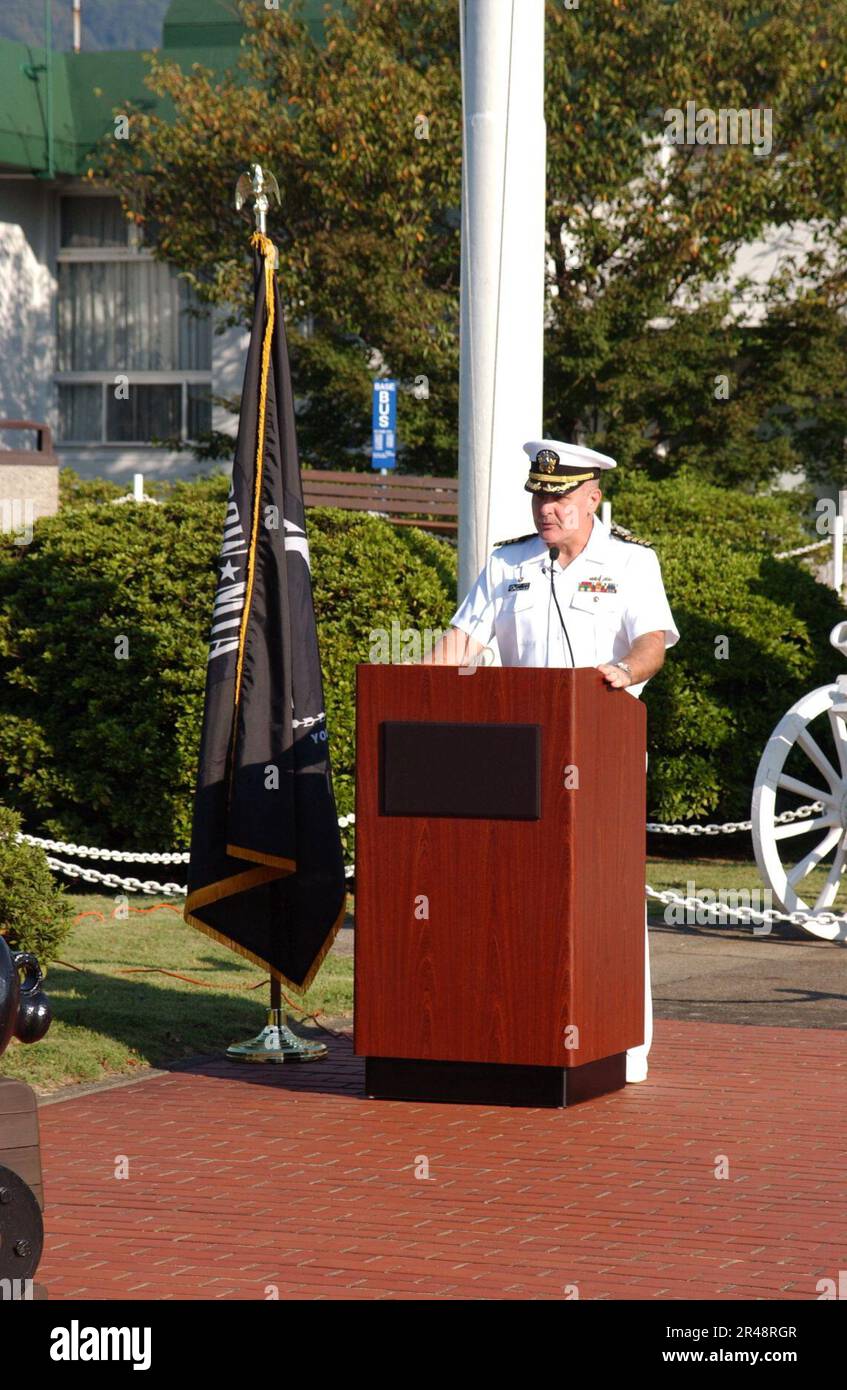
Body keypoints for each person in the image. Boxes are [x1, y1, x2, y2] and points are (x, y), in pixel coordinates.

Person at [424, 438, 680, 1083]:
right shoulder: (509, 563)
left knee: (602, 899)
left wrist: (617, 674)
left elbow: (652, 644)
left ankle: (621, 1039)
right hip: (517, 759)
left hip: (602, 751)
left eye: (560, 496)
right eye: (540, 496)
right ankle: (523, 1030)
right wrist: (411, 690)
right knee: (516, 895)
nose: (547, 508)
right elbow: (461, 643)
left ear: (593, 496)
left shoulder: (630, 562)